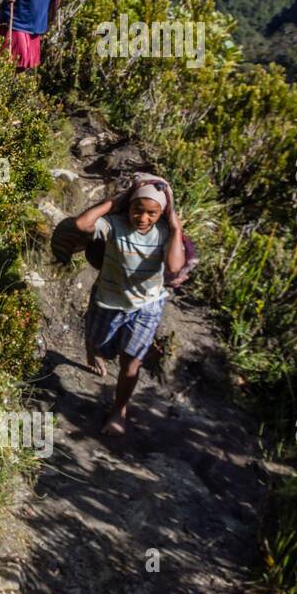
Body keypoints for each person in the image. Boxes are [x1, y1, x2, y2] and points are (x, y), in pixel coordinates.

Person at [72, 176, 186, 436]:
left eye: (152, 213)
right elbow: (81, 224)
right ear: (130, 206)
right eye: (138, 210)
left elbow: (174, 266)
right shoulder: (113, 225)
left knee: (131, 362)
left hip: (146, 306)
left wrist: (177, 228)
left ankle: (119, 410)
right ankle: (94, 352)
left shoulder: (165, 233)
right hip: (108, 301)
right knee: (97, 341)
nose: (143, 218)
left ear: (162, 213)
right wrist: (116, 201)